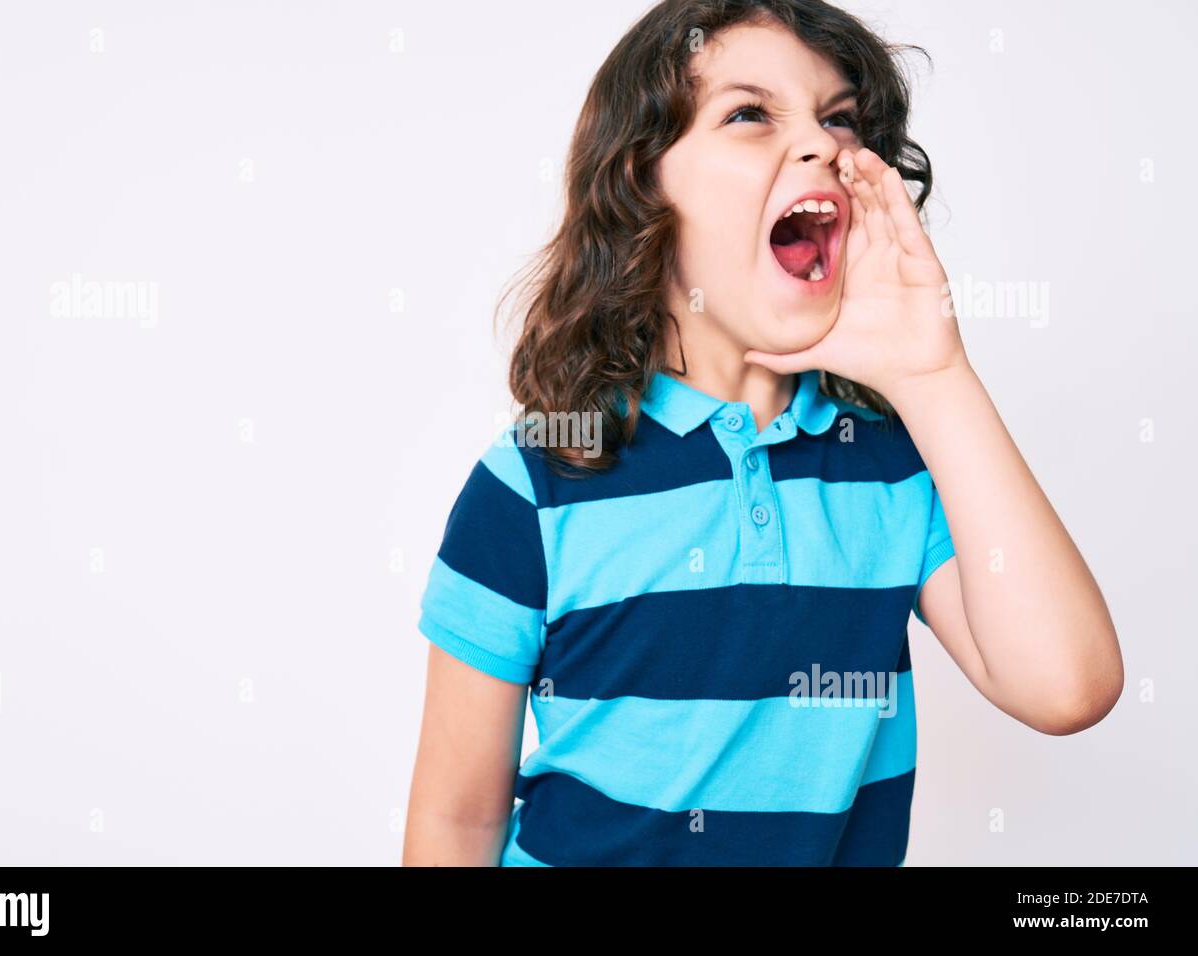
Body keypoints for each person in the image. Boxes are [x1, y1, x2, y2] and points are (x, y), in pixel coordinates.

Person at [402, 0, 1123, 866]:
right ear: (642, 187)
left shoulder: (897, 470)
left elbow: (1069, 685)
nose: (821, 144)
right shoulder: (534, 484)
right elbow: (456, 822)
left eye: (841, 119)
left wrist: (935, 378)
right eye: (750, 114)